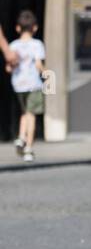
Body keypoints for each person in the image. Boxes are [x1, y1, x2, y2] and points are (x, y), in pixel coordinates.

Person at [9, 10, 46, 163]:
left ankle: (20, 137)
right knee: (31, 115)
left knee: (25, 112)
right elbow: (38, 65)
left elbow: (9, 67)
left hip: (18, 84)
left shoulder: (13, 45)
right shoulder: (37, 44)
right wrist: (47, 73)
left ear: (18, 28)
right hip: (33, 84)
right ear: (35, 28)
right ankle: (29, 148)